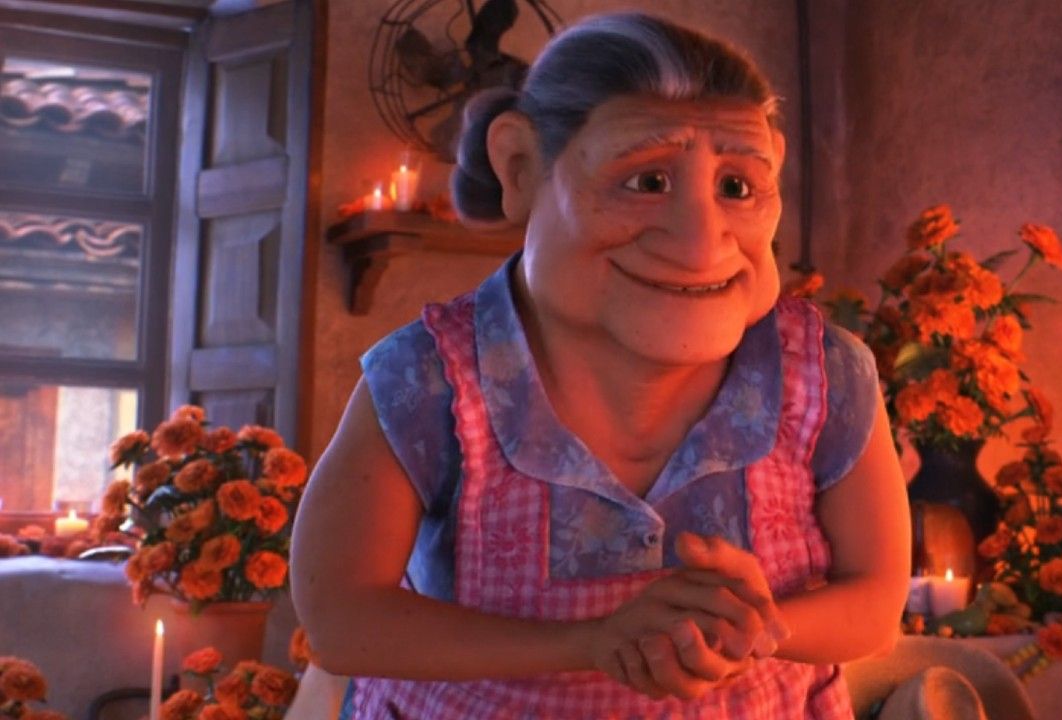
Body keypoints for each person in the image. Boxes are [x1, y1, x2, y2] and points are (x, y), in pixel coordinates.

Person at [291, 11, 909, 719]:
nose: (701, 240)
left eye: (737, 187)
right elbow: (341, 618)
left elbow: (876, 603)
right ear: (521, 168)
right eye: (647, 181)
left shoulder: (823, 376)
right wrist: (593, 643)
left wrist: (748, 627)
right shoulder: (430, 380)